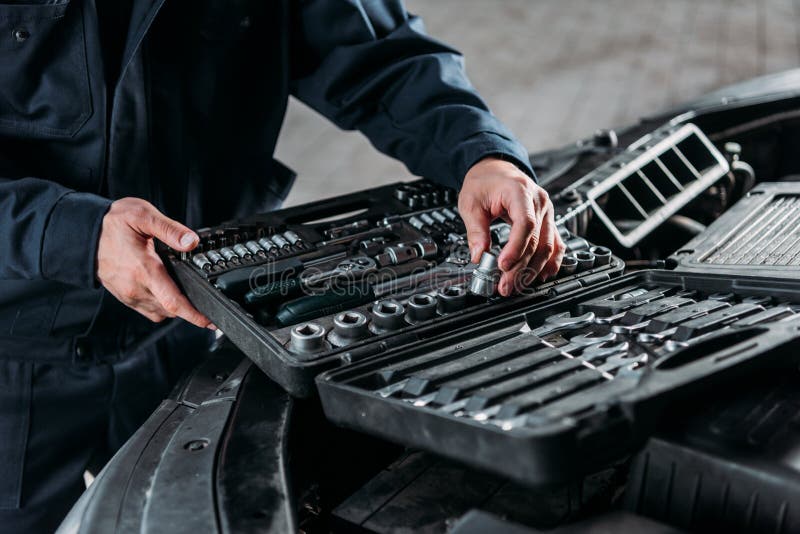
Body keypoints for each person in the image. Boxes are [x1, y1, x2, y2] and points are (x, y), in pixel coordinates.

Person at [0, 0, 564, 530]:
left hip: (194, 321)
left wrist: (484, 152)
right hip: (19, 349)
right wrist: (72, 233)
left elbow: (379, 55)